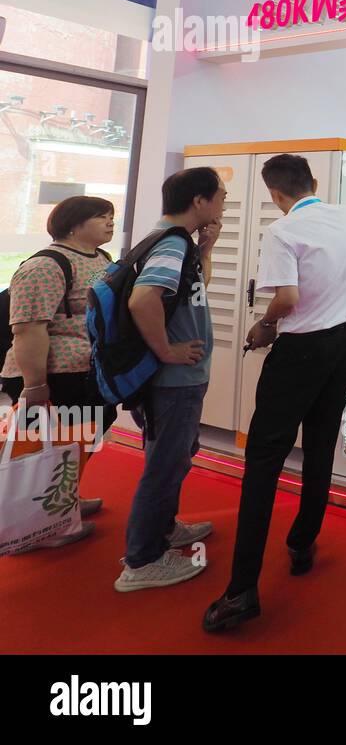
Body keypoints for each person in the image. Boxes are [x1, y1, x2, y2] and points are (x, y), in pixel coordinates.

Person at [203, 154, 346, 632]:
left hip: (302, 349)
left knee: (265, 459)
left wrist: (266, 324)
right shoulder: (344, 215)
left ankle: (242, 590)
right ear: (312, 182)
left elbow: (289, 299)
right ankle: (302, 542)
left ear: (273, 194)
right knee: (320, 441)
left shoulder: (282, 232)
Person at [114, 167, 224, 592]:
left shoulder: (174, 243)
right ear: (199, 200)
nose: (224, 204)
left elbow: (191, 293)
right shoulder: (170, 244)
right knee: (164, 465)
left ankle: (164, 529)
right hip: (173, 381)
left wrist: (207, 250)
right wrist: (167, 351)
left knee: (175, 456)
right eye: (220, 196)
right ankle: (140, 562)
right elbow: (145, 299)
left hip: (181, 379)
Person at [1, 196, 116, 547]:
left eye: (112, 216)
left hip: (88, 372)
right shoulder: (46, 266)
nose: (111, 223)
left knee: (80, 440)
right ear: (73, 224)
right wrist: (35, 387)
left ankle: (64, 501)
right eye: (102, 217)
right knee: (46, 446)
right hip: (52, 375)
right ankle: (42, 525)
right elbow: (28, 328)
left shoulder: (103, 259)